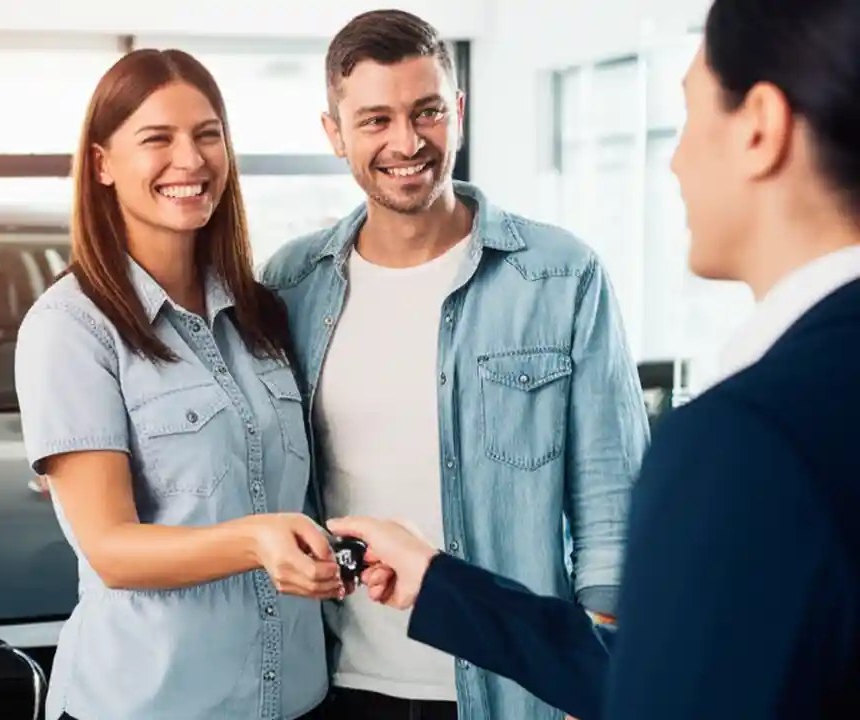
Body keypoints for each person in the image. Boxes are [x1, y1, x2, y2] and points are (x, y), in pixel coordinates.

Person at [328, 0, 860, 717]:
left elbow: (654, 688)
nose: (672, 160)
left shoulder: (742, 439)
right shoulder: (297, 283)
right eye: (375, 120)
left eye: (691, 117)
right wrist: (442, 582)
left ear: (760, 128)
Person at [260, 10, 648, 720]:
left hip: (515, 688)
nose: (406, 143)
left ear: (458, 112)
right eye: (375, 120)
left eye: (427, 111)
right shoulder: (292, 282)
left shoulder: (561, 275)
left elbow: (612, 503)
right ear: (334, 133)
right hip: (340, 684)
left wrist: (599, 679)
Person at [14, 49, 341, 720]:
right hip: (150, 705)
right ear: (102, 163)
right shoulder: (70, 328)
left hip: (296, 700)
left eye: (207, 134)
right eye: (156, 139)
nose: (190, 160)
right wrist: (256, 540)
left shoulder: (263, 314)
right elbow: (111, 548)